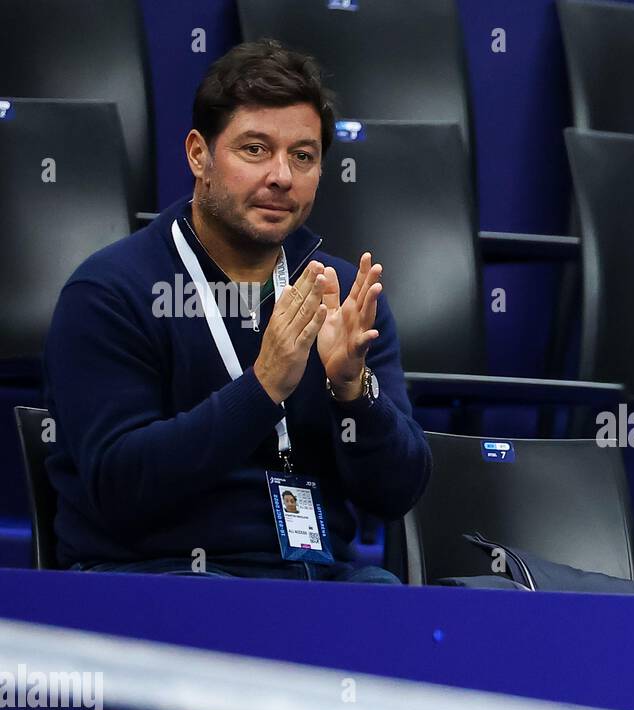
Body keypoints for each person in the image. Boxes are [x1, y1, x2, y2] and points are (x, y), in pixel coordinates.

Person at [43, 40, 431, 583]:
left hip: (316, 581)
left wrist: (354, 392)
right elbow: (120, 486)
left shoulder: (342, 294)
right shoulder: (110, 293)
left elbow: (398, 493)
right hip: (164, 578)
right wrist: (263, 386)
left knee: (397, 607)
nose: (281, 176)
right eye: (255, 149)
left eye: (303, 155)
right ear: (198, 154)